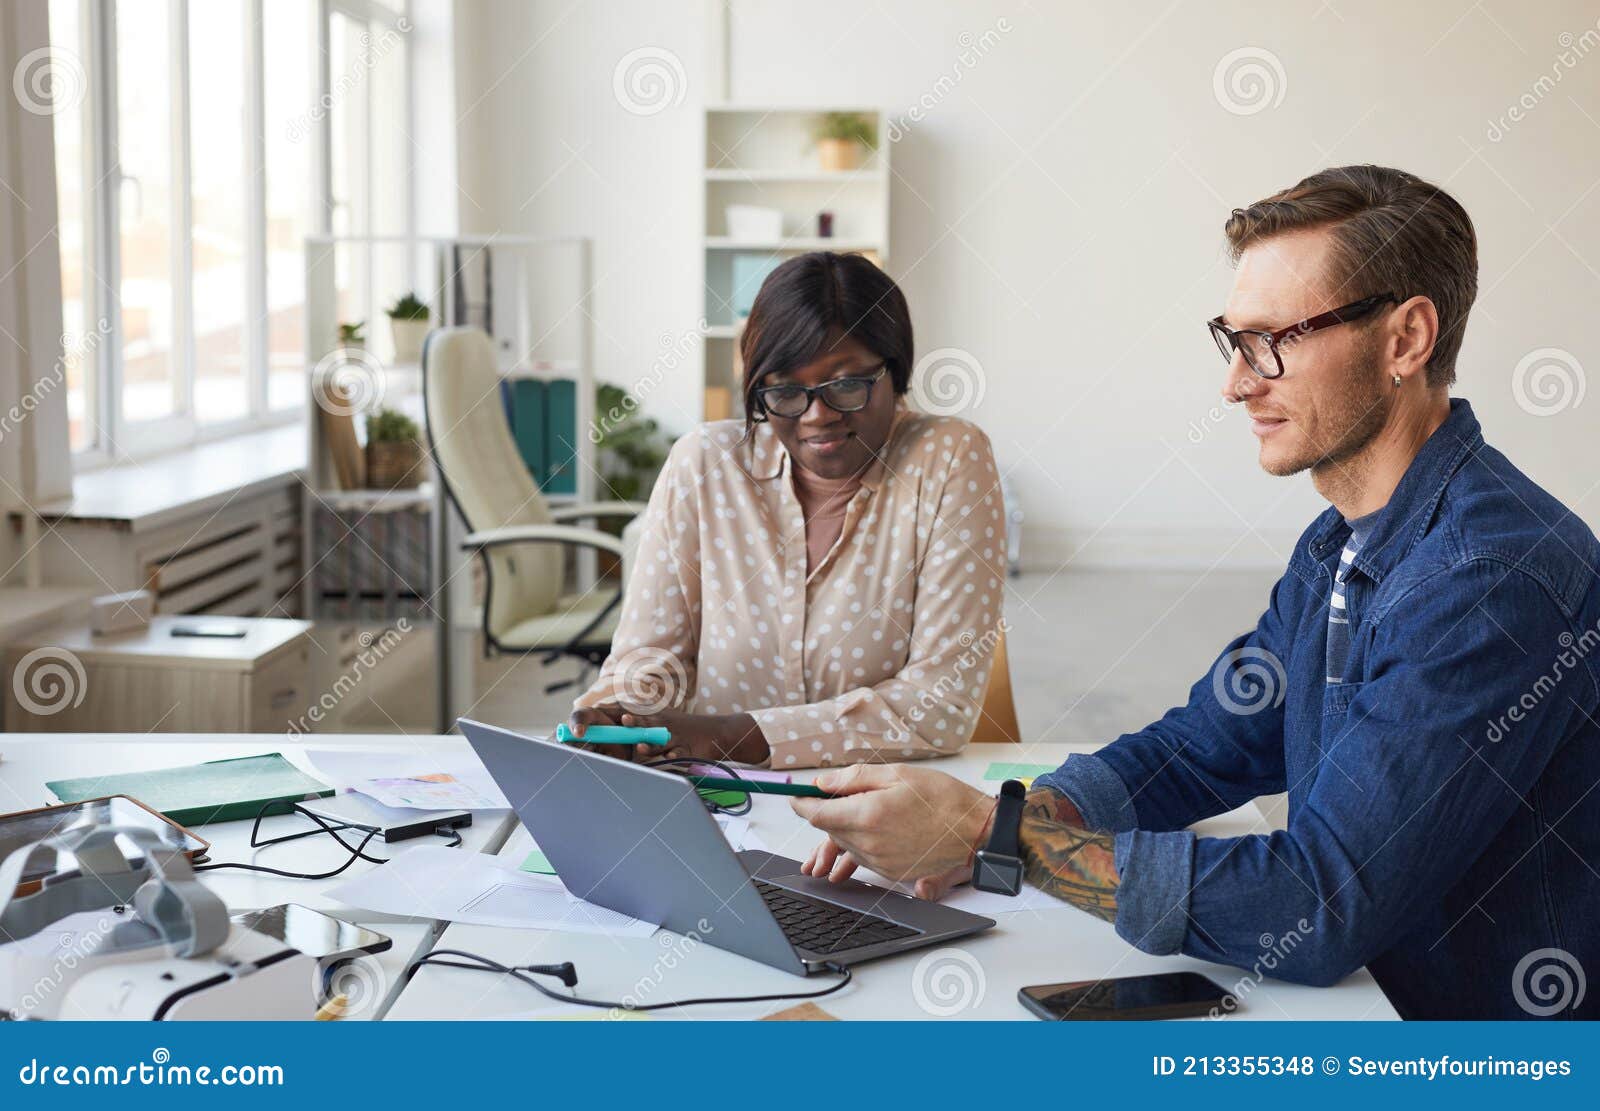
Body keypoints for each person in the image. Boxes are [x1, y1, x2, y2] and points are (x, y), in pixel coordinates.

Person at [791, 166, 1600, 1020]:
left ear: (1405, 340)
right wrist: (1011, 813)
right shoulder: (1340, 542)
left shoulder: (1491, 577)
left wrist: (995, 840)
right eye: (1234, 340)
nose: (1238, 382)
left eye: (1273, 340)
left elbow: (1321, 903)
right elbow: (1207, 744)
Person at [568, 251, 1007, 770]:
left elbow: (940, 706)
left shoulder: (949, 458)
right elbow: (650, 661)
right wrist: (619, 719)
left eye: (846, 385)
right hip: (723, 798)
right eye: (785, 391)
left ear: (896, 371)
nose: (817, 416)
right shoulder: (706, 463)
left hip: (876, 806)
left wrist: (731, 735)